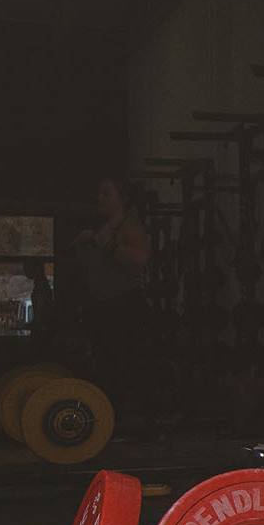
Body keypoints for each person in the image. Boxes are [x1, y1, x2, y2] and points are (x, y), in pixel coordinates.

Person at [76, 176, 152, 417]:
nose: (100, 198)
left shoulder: (128, 226)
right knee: (106, 366)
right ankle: (111, 418)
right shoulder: (105, 227)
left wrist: (107, 246)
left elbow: (141, 257)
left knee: (125, 365)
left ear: (123, 199)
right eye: (99, 193)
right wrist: (87, 243)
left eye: (106, 193)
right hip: (103, 307)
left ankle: (138, 421)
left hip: (124, 307)